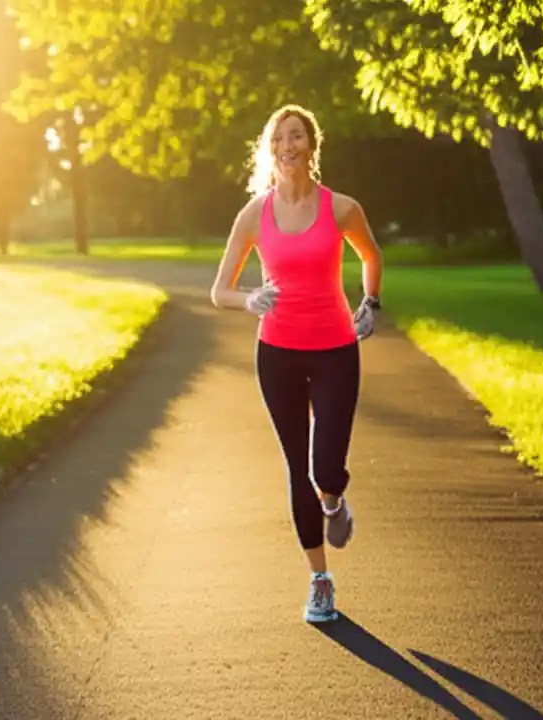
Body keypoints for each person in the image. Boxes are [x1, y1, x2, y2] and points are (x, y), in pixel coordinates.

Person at [210, 104, 384, 623]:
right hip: (278, 353)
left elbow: (372, 257)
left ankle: (333, 498)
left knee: (326, 467)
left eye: (297, 136)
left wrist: (369, 304)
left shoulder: (341, 208)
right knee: (297, 467)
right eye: (279, 138)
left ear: (311, 146)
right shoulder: (254, 215)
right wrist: (249, 300)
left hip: (335, 349)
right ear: (270, 148)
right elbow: (219, 290)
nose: (288, 145)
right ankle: (320, 580)